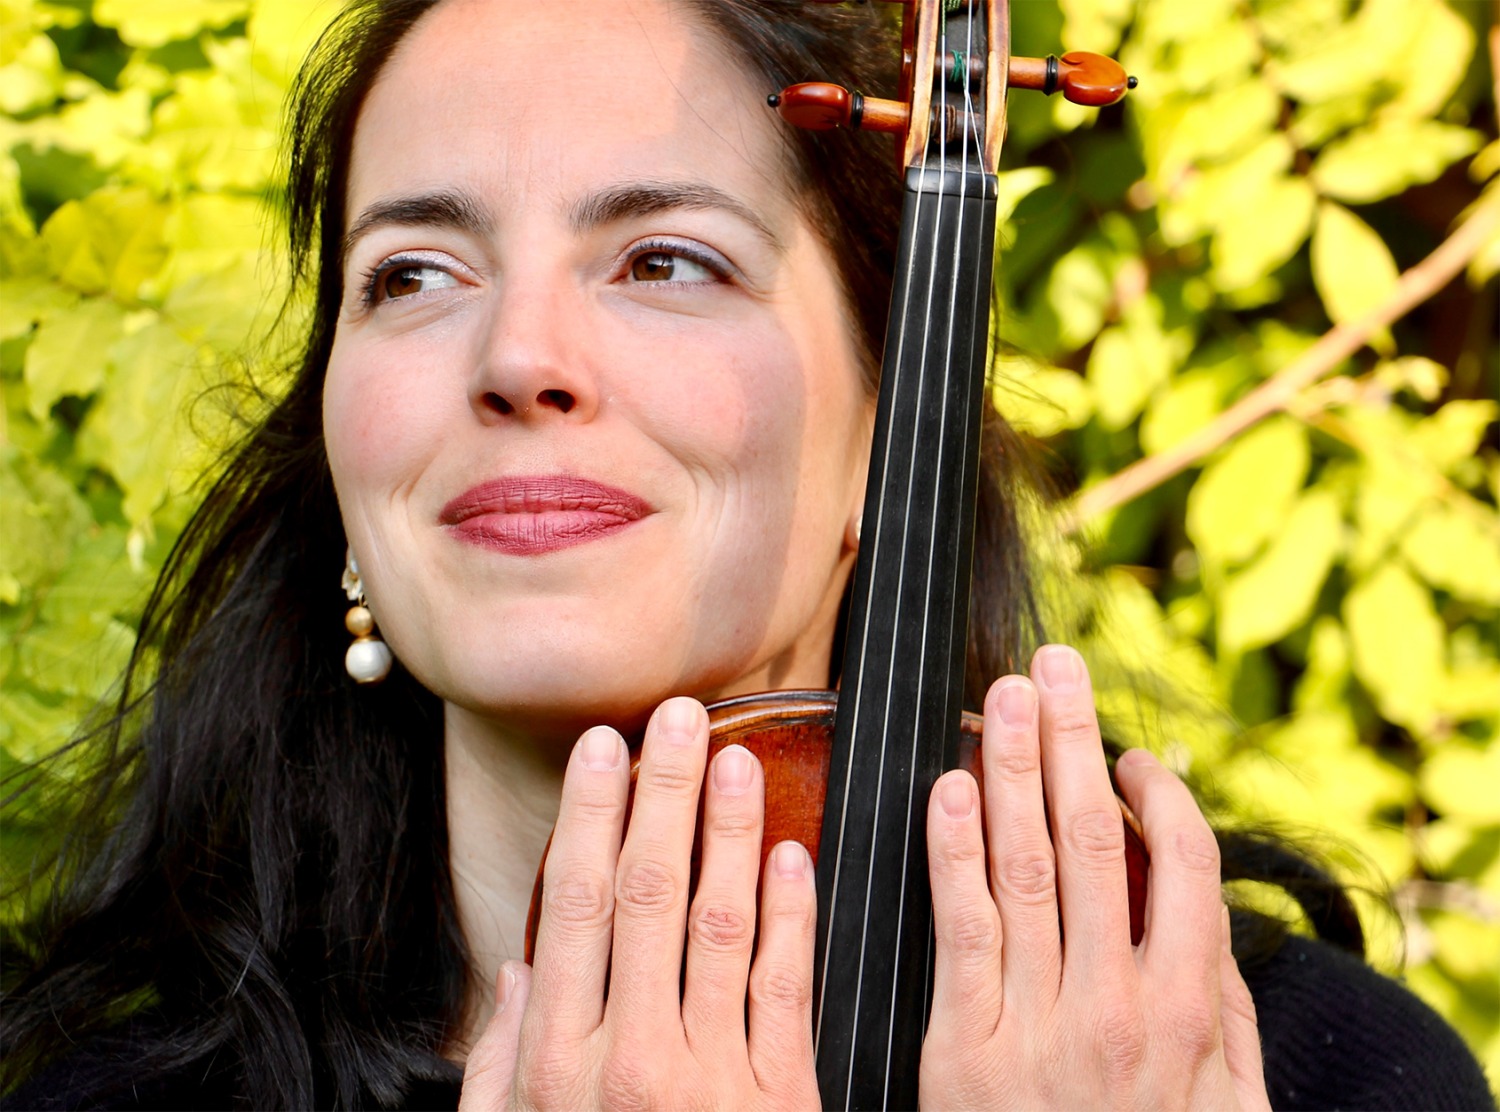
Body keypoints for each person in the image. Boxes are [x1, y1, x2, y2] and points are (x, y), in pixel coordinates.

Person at [2, 1, 1492, 1109]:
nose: (520, 355)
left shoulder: (1271, 1069)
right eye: (415, 274)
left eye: (665, 260)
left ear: (883, 427)